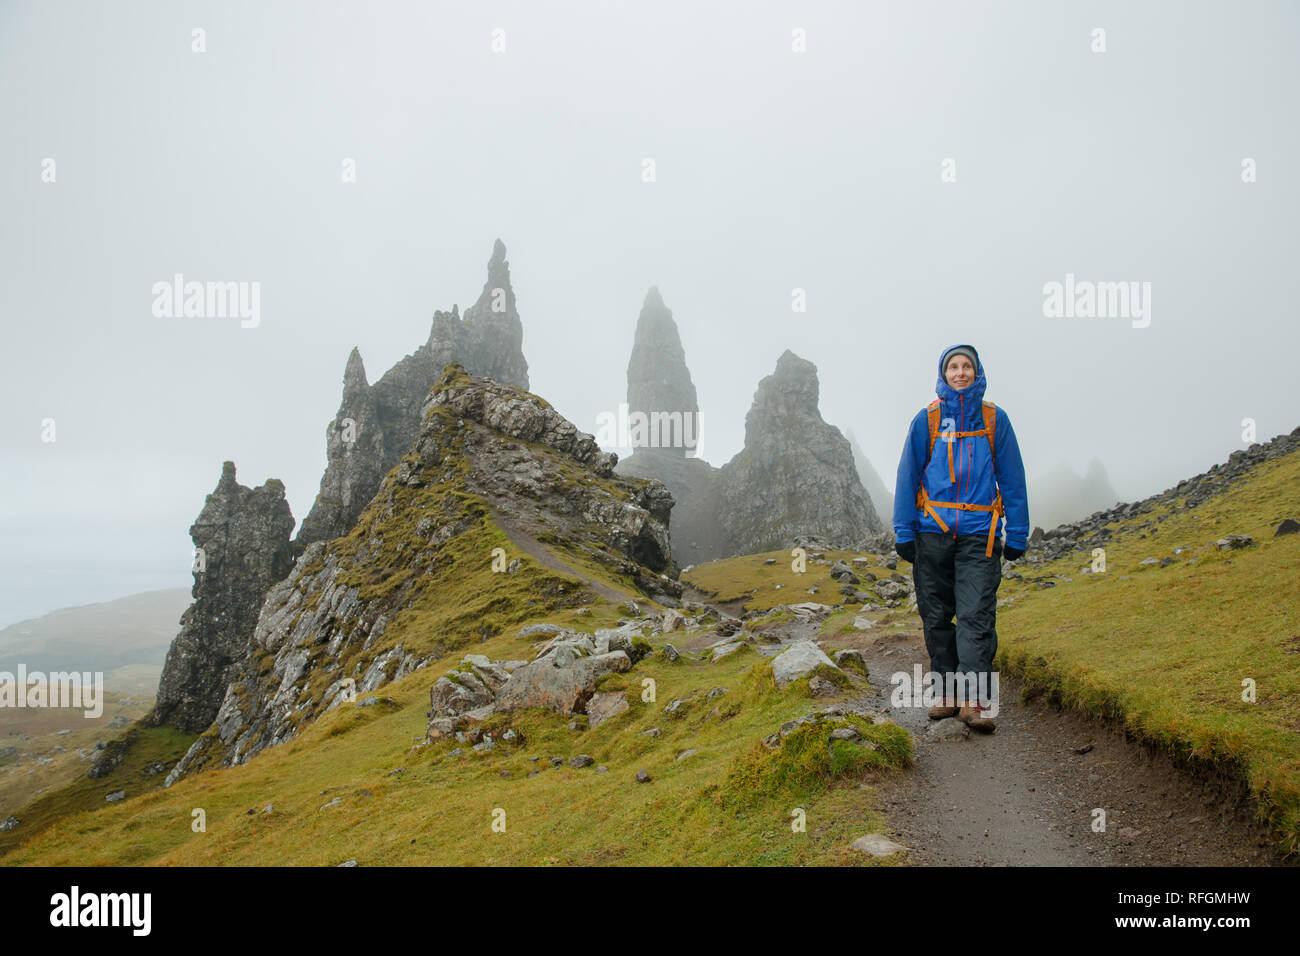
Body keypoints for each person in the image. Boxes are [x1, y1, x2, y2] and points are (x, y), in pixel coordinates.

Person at [891, 344, 1029, 732]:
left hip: (979, 537)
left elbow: (1013, 480)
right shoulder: (928, 420)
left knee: (975, 615)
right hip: (931, 533)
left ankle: (975, 700)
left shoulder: (994, 420)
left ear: (977, 372)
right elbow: (907, 477)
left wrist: (1016, 532)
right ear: (944, 374)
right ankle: (945, 694)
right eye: (954, 366)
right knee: (936, 617)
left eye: (967, 366)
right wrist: (904, 530)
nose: (961, 372)